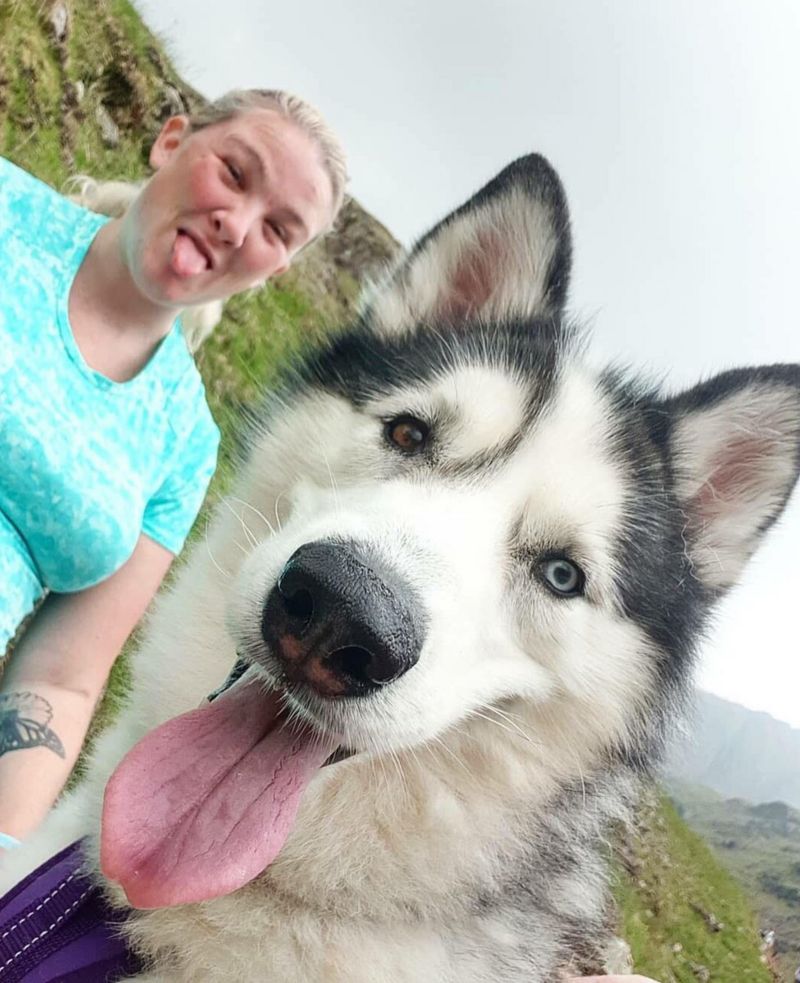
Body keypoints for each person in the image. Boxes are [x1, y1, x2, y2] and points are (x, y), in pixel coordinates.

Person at [0, 88, 347, 850]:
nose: (238, 221)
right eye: (234, 172)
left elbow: (60, 679)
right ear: (170, 141)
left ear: (274, 269)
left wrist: (6, 848)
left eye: (278, 229)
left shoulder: (184, 443)